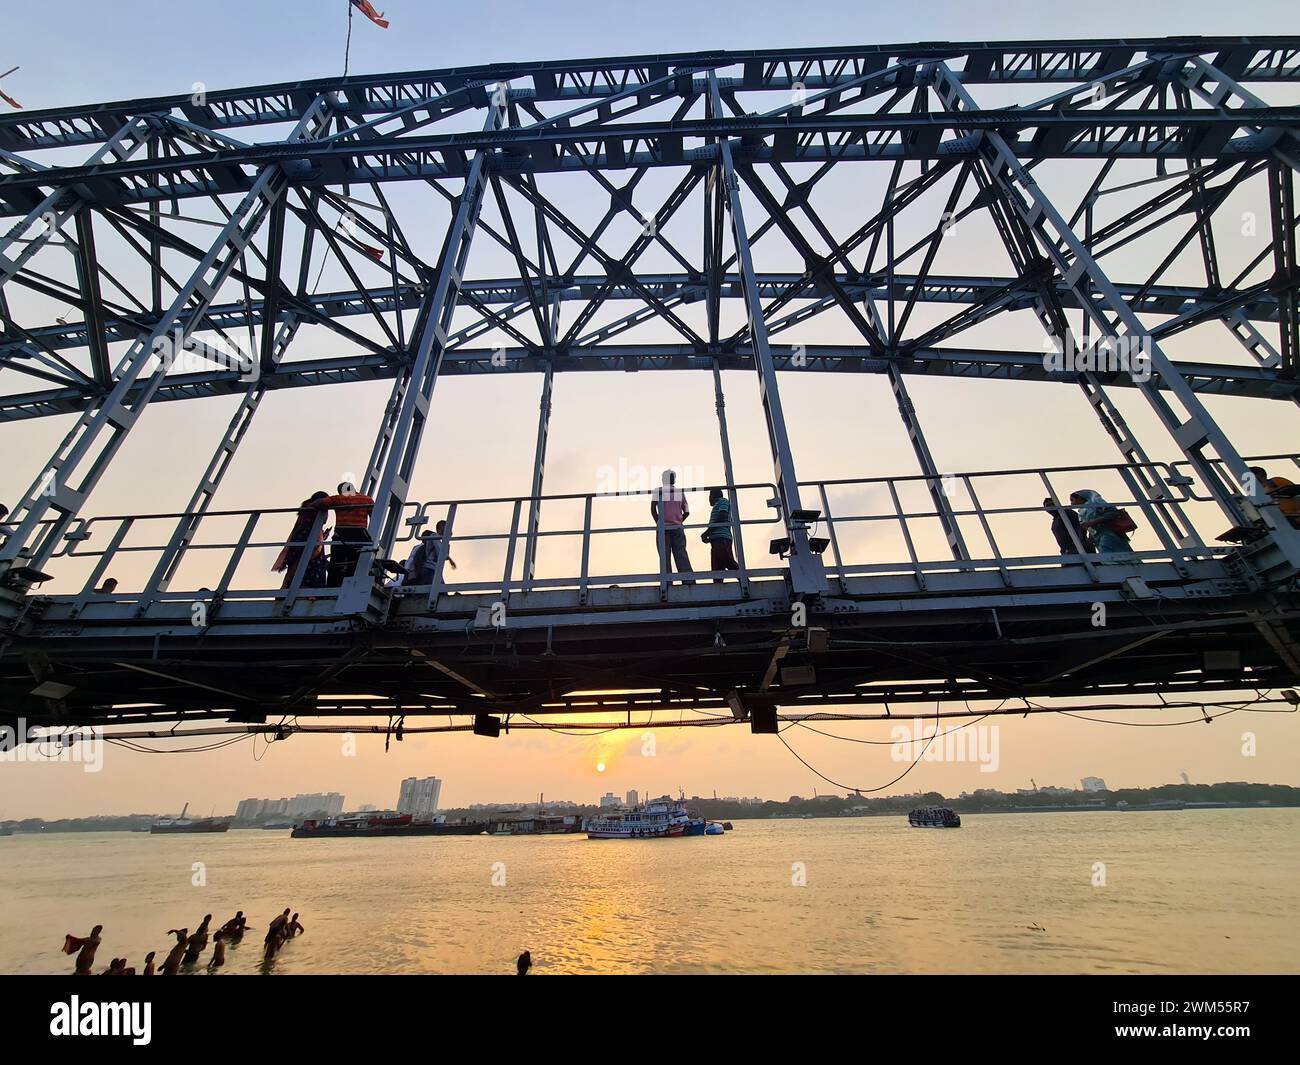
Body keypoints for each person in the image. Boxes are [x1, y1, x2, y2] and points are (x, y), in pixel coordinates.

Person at [315, 482, 375, 586]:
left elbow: (319, 503)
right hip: (360, 536)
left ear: (341, 491)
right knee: (357, 561)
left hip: (341, 536)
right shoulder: (367, 499)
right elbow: (374, 515)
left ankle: (332, 584)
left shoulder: (337, 498)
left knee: (335, 562)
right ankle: (357, 582)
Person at [272, 491, 330, 588]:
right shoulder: (317, 507)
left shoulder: (306, 507)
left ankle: (286, 586)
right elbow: (321, 522)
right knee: (309, 564)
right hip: (310, 538)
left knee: (295, 563)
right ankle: (309, 592)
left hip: (299, 538)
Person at [650, 470, 693, 583]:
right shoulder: (680, 492)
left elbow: (653, 509)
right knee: (681, 555)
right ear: (673, 479)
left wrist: (659, 522)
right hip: (677, 528)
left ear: (663, 479)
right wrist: (678, 521)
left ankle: (667, 582)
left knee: (664, 557)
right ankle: (688, 581)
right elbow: (687, 511)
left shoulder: (658, 491)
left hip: (663, 529)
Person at [701, 488, 740, 582]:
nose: (709, 499)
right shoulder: (718, 504)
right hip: (716, 540)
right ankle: (718, 587)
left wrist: (708, 532)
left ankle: (743, 578)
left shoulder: (723, 501)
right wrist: (710, 535)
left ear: (713, 495)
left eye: (709, 496)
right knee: (717, 567)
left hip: (722, 538)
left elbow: (722, 516)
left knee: (727, 560)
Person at [403, 520, 457, 586]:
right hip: (429, 568)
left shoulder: (439, 541)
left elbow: (444, 555)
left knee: (438, 590)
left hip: (433, 569)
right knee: (438, 590)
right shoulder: (434, 536)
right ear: (442, 527)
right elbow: (442, 554)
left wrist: (446, 541)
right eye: (448, 527)